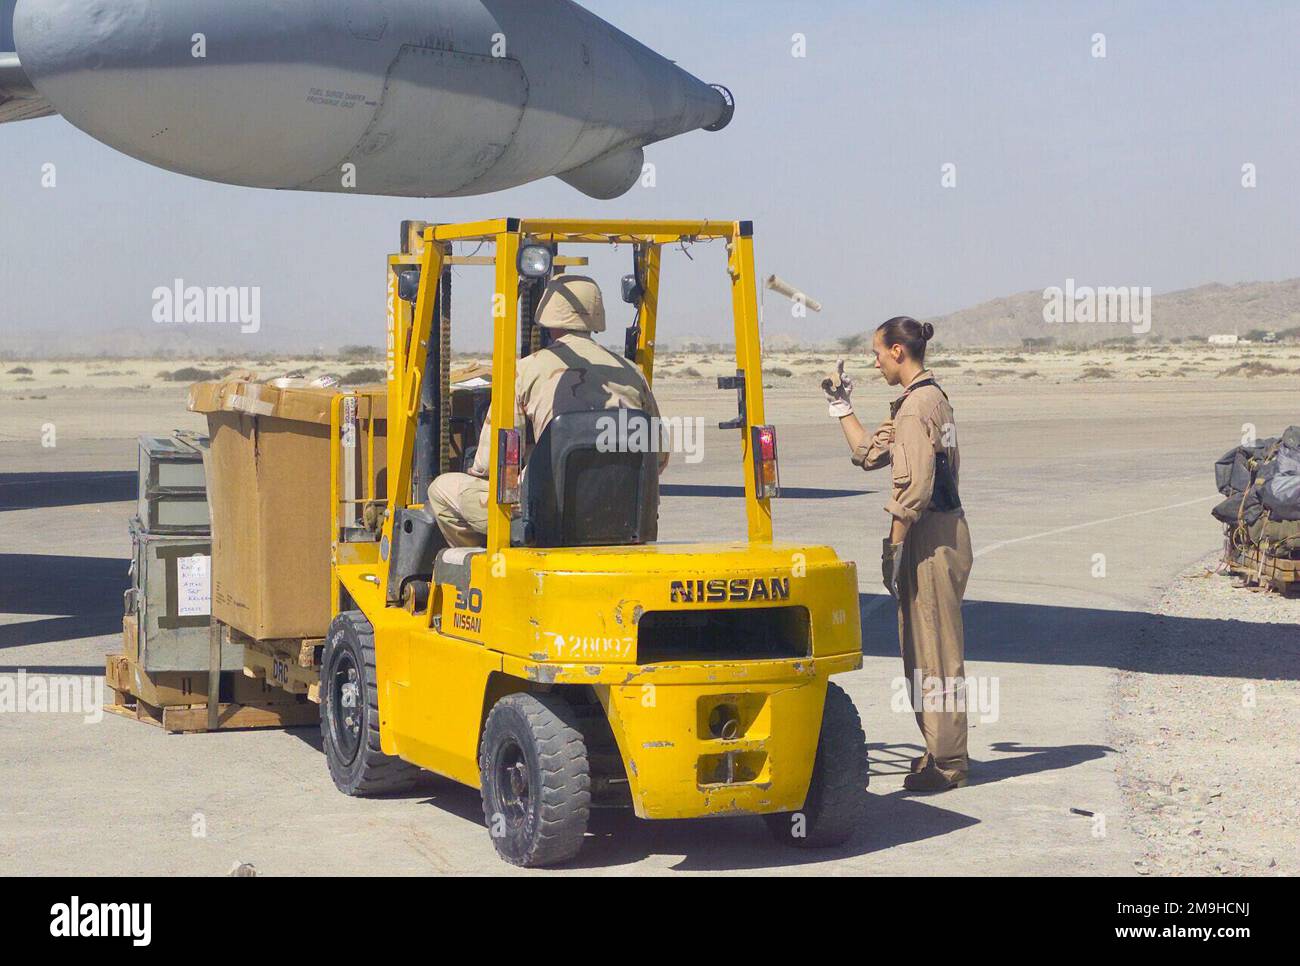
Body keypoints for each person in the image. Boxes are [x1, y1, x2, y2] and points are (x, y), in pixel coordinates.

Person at [824, 317, 973, 792]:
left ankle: (947, 762)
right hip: (942, 531)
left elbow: (912, 488)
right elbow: (870, 454)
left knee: (933, 652)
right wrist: (842, 405)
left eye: (877, 353)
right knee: (927, 648)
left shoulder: (915, 409)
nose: (874, 362)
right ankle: (941, 751)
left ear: (896, 352)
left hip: (929, 534)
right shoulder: (926, 399)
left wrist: (893, 546)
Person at [428, 275, 664, 547]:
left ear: (548, 317)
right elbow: (659, 455)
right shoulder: (632, 373)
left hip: (551, 515)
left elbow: (493, 461)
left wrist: (493, 467)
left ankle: (488, 566)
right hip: (625, 515)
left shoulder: (526, 370)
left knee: (442, 490)